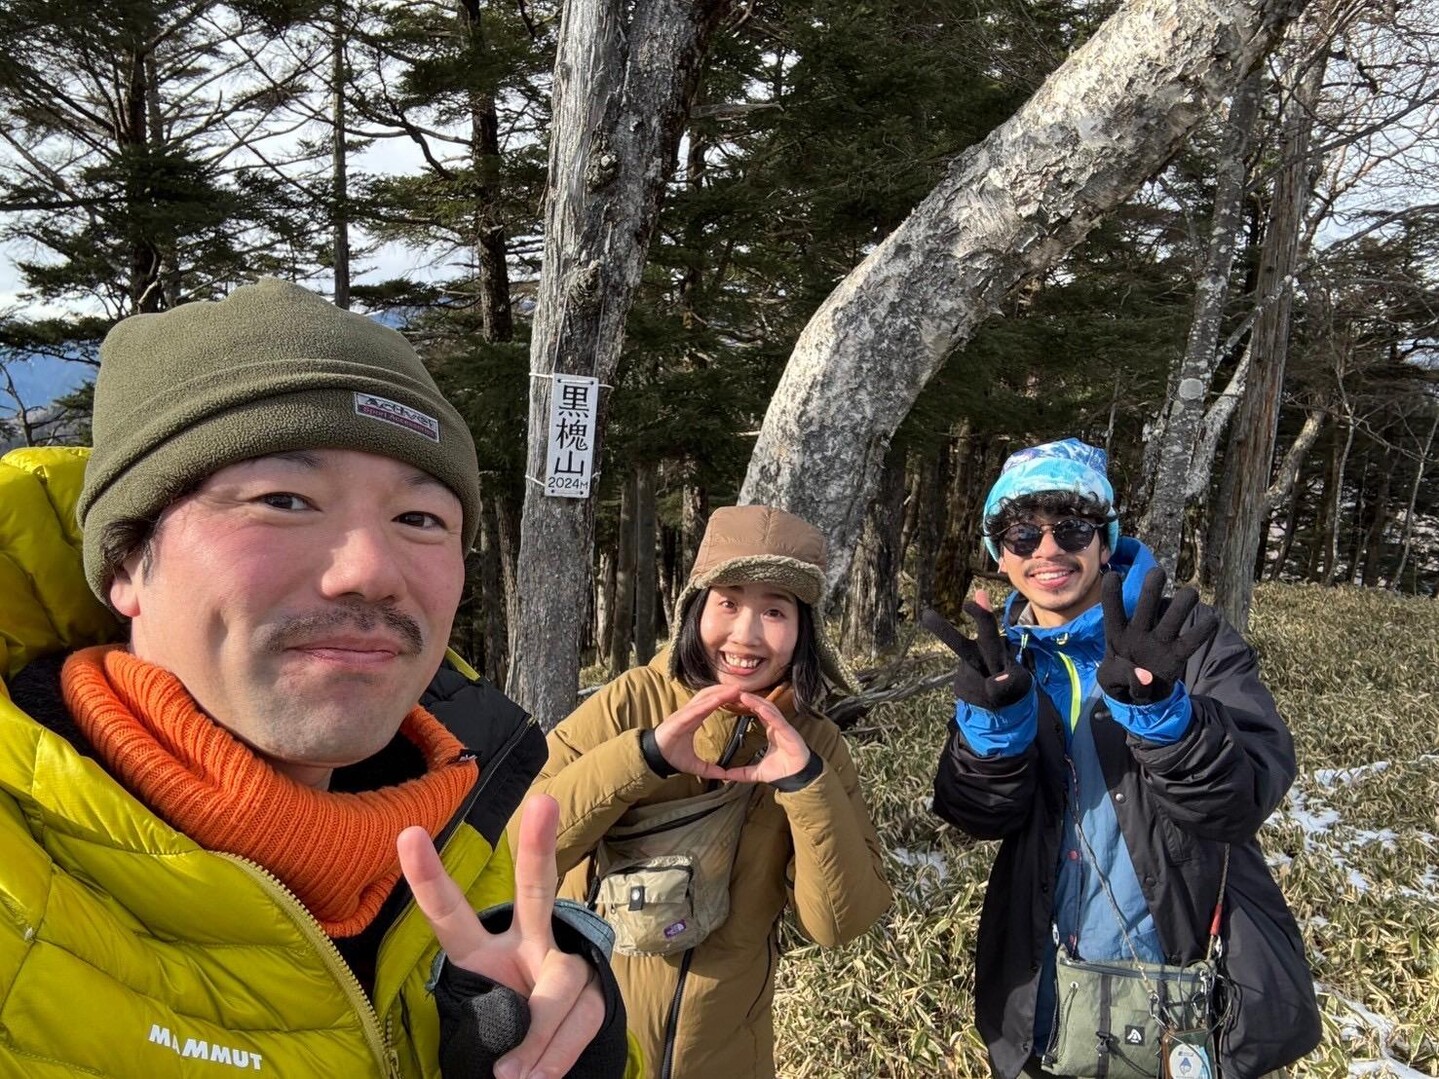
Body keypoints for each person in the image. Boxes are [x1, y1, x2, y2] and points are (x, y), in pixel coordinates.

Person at [0, 279, 640, 1078]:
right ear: (128, 559)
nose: (370, 570)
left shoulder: (463, 841)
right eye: (285, 499)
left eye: (419, 519)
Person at [927, 438, 1321, 1079]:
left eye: (1071, 528)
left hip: (1195, 988)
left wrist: (1164, 715)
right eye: (1022, 534)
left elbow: (1243, 797)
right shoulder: (1002, 662)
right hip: (1045, 996)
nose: (1047, 550)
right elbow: (977, 816)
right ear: (1000, 554)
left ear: (1104, 541)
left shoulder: (1187, 641)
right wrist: (994, 729)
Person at [523, 505, 892, 1079]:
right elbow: (518, 849)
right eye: (729, 603)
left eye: (775, 611)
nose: (745, 635)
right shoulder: (630, 703)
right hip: (583, 1046)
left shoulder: (816, 742)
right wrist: (644, 756)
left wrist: (805, 784)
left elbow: (839, 924)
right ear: (695, 610)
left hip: (731, 1058)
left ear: (804, 631)